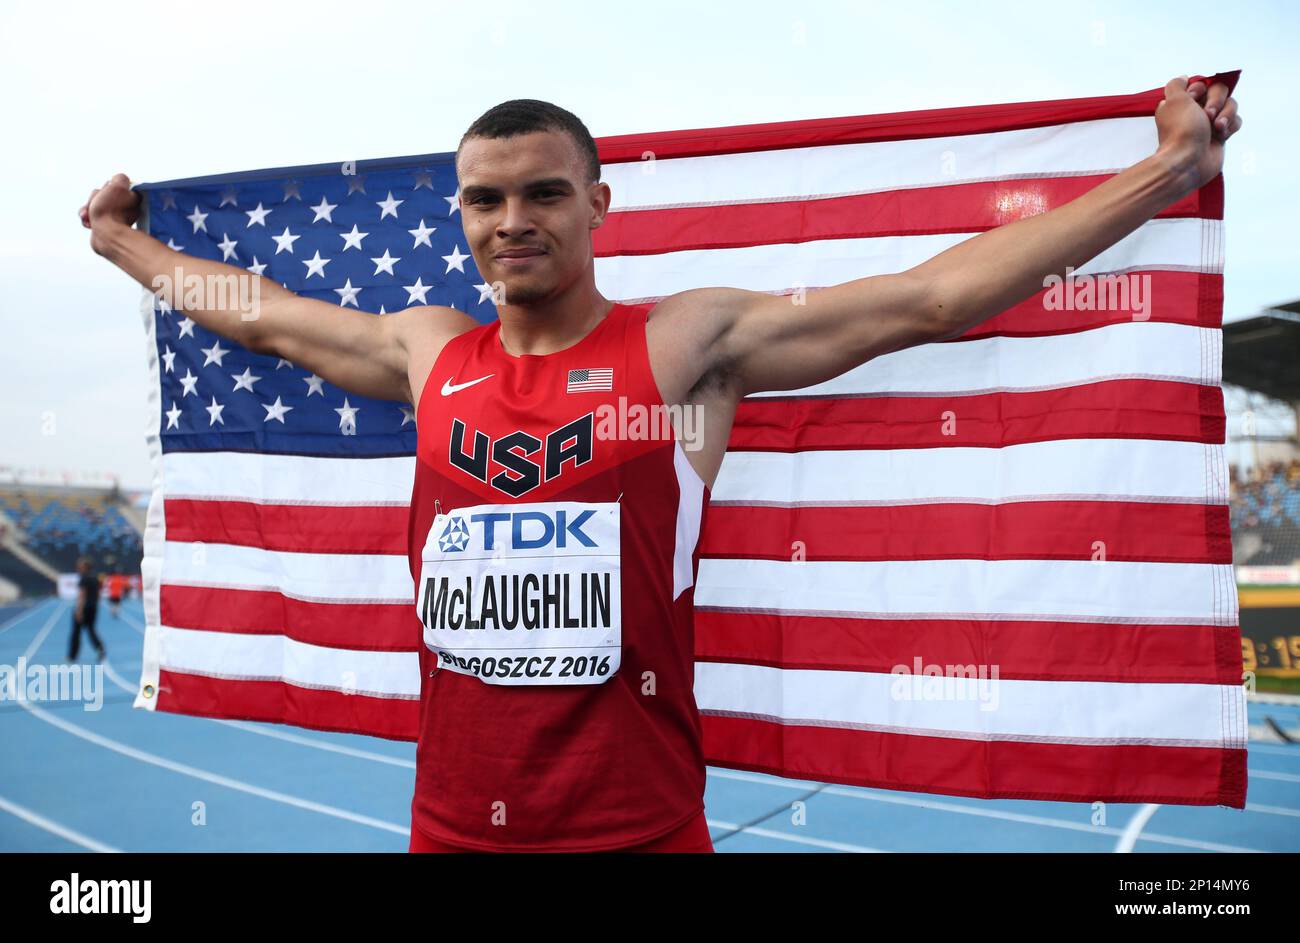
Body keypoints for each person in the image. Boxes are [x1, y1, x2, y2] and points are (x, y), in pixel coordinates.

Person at [78, 78, 1241, 852]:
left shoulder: (686, 343)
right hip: (451, 826)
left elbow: (932, 301)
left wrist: (1167, 174)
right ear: (461, 216)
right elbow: (265, 317)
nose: (511, 219)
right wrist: (123, 240)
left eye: (542, 192)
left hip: (634, 829)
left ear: (598, 203)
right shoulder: (429, 349)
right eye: (484, 198)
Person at [68, 557, 106, 662]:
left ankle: (72, 656)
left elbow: (82, 595)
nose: (77, 568)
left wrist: (79, 610)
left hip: (84, 608)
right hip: (93, 608)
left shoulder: (84, 578)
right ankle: (100, 648)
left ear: (85, 567)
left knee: (76, 632)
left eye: (79, 566)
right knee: (91, 629)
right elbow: (98, 594)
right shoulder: (95, 578)